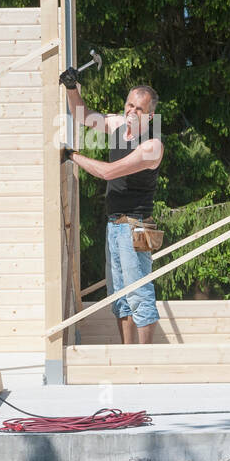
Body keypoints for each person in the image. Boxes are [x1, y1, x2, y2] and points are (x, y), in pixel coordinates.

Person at [61, 75, 165, 344]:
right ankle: (128, 355)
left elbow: (108, 172)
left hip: (139, 225)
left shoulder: (152, 146)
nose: (131, 111)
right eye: (129, 105)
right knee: (120, 295)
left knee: (139, 292)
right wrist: (72, 88)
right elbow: (84, 116)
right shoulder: (120, 125)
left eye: (139, 109)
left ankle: (145, 359)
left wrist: (72, 156)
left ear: (150, 117)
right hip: (116, 224)